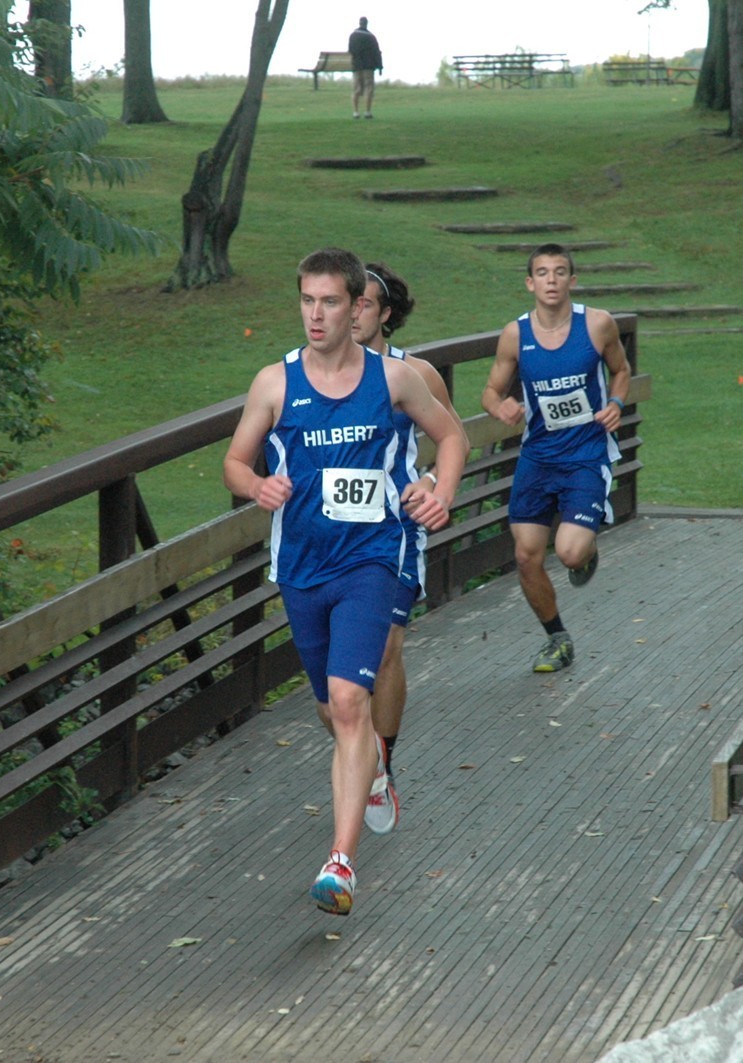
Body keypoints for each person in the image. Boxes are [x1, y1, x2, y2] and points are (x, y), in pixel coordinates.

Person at [223, 248, 465, 917]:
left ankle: (339, 861)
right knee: (332, 712)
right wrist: (257, 484)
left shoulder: (395, 379)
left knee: (350, 700)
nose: (318, 314)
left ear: (359, 305)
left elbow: (452, 437)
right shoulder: (274, 383)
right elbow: (234, 462)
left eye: (331, 301)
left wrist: (440, 492)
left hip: (372, 558)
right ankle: (374, 773)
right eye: (308, 301)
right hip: (302, 566)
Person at [349, 262, 467, 836]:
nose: (351, 315)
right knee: (337, 692)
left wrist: (435, 488)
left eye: (364, 304)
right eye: (344, 302)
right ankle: (362, 757)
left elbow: (455, 437)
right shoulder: (314, 374)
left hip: (396, 528)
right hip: (334, 540)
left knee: (388, 646)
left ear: (385, 312)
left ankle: (382, 765)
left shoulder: (412, 374)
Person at [479, 243, 631, 675]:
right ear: (530, 283)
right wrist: (499, 408)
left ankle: (585, 549)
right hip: (538, 456)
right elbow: (490, 391)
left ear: (572, 280)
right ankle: (556, 637)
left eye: (559, 272)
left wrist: (617, 401)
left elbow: (621, 370)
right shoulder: (516, 334)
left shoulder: (597, 324)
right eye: (542, 273)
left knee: (567, 553)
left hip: (586, 453)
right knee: (527, 555)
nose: (551, 280)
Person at [348, 16, 382, 119]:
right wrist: (380, 67)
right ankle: (367, 111)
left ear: (359, 23)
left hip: (357, 66)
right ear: (367, 24)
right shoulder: (371, 37)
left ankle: (355, 112)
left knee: (356, 89)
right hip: (368, 66)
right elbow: (377, 52)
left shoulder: (353, 35)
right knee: (369, 88)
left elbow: (350, 50)